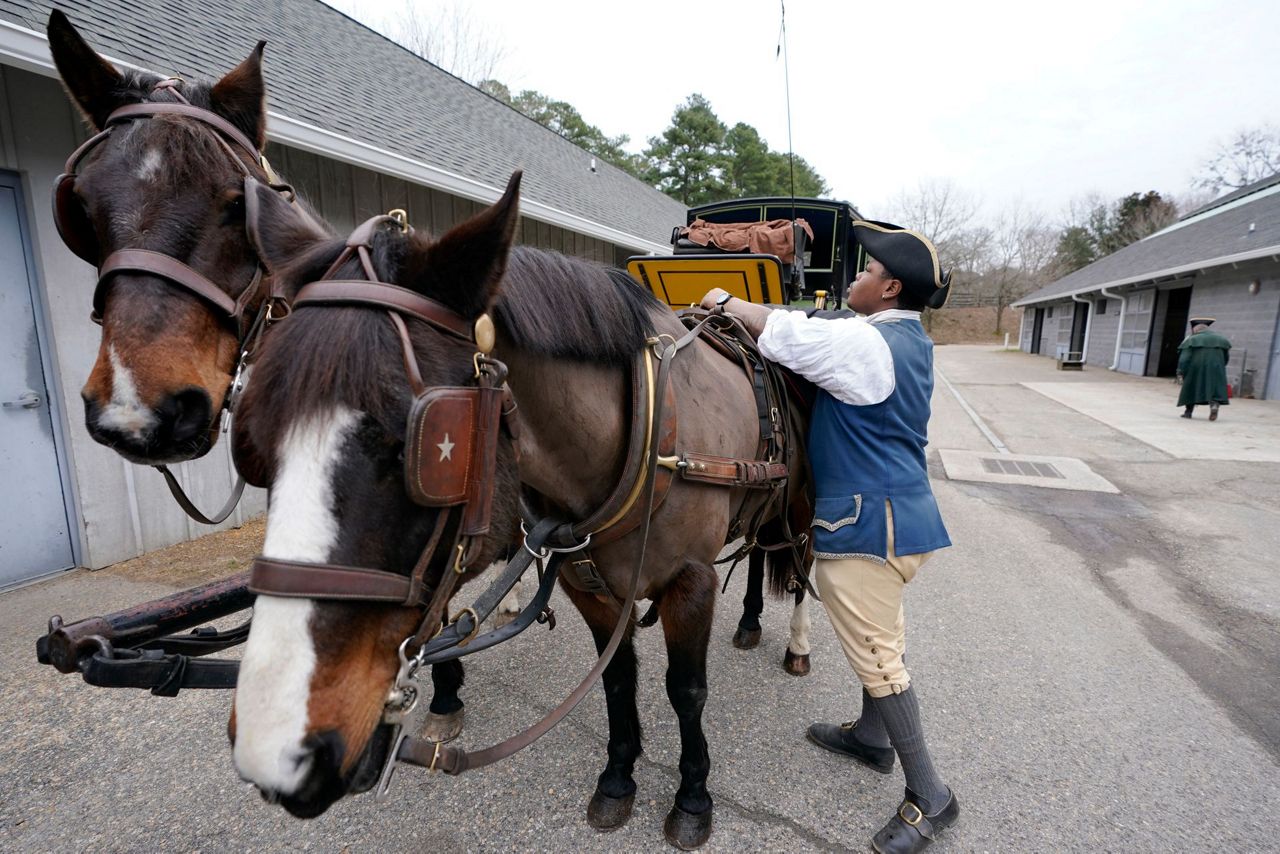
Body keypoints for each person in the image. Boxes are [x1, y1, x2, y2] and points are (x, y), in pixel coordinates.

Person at [700, 220, 956, 853]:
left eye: (869, 273)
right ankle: (871, 741)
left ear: (891, 287)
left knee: (878, 655)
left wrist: (723, 302)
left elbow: (789, 334)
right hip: (901, 518)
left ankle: (932, 795)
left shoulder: (867, 347)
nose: (858, 279)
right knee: (880, 639)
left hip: (867, 529)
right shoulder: (902, 339)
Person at [1177, 320, 1231, 420]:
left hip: (1195, 369)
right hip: (1216, 368)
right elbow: (1226, 358)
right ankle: (1214, 405)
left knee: (1191, 388)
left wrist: (1181, 371)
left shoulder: (1191, 340)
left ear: (1195, 330)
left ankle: (1188, 412)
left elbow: (1184, 359)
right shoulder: (1221, 339)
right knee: (1214, 389)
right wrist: (1220, 367)